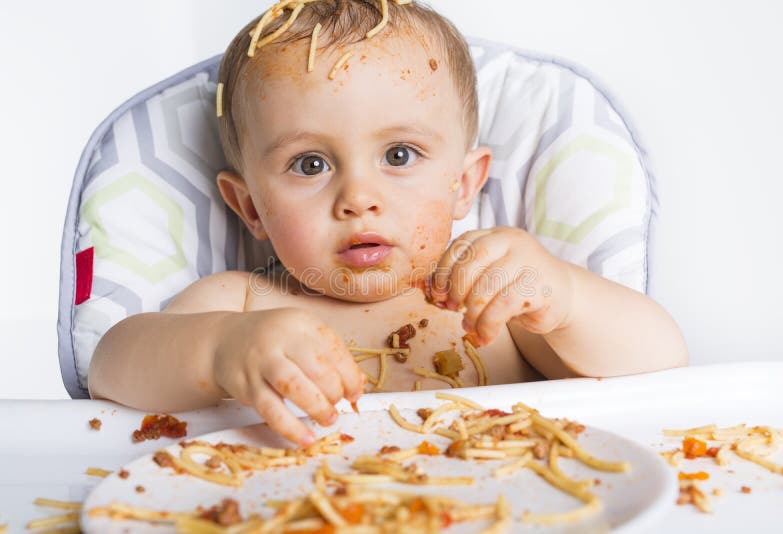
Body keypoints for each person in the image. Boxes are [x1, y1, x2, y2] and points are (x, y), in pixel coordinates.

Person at [88, 0, 688, 447]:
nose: (358, 197)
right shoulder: (242, 305)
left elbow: (661, 368)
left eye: (399, 155)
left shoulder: (491, 304)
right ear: (249, 207)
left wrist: (566, 297)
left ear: (463, 184)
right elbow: (111, 370)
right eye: (310, 163)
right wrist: (218, 350)